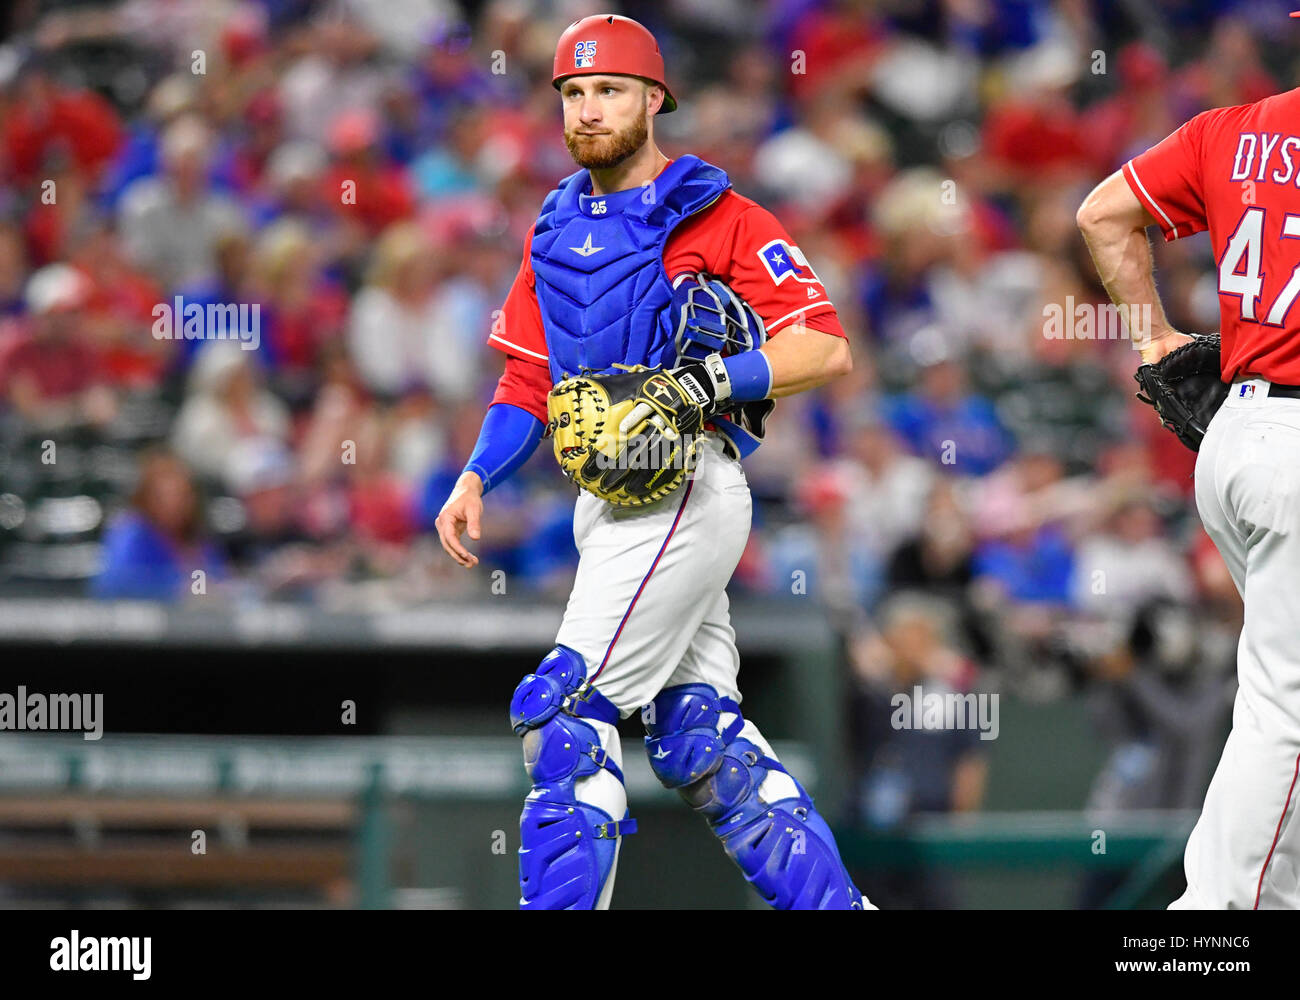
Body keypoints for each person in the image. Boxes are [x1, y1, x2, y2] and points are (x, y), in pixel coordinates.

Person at [434, 14, 871, 910]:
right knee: (699, 736)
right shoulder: (553, 226)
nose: (590, 109)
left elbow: (822, 348)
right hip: (608, 505)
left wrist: (704, 382)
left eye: (611, 90)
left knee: (561, 718)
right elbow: (527, 377)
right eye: (575, 93)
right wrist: (477, 475)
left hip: (686, 486)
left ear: (653, 99)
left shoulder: (719, 211)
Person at [1076, 10, 1300, 908]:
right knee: (1285, 707)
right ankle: (1210, 923)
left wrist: (1158, 343)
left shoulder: (1232, 130)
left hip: (1242, 439)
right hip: (1290, 447)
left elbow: (1102, 214)